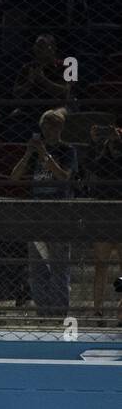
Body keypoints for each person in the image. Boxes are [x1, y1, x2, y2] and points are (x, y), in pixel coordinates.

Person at [9, 107, 76, 318]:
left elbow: (64, 176)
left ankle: (59, 311)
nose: (49, 129)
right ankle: (43, 310)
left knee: (58, 264)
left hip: (59, 212)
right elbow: (15, 177)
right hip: (37, 213)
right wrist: (30, 153)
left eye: (53, 125)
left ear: (61, 127)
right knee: (37, 266)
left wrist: (44, 154)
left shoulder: (67, 150)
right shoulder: (35, 151)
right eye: (46, 125)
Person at [86, 124, 122, 325]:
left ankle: (121, 311)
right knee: (101, 265)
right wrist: (96, 143)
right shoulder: (102, 158)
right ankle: (97, 310)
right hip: (104, 217)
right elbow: (91, 165)